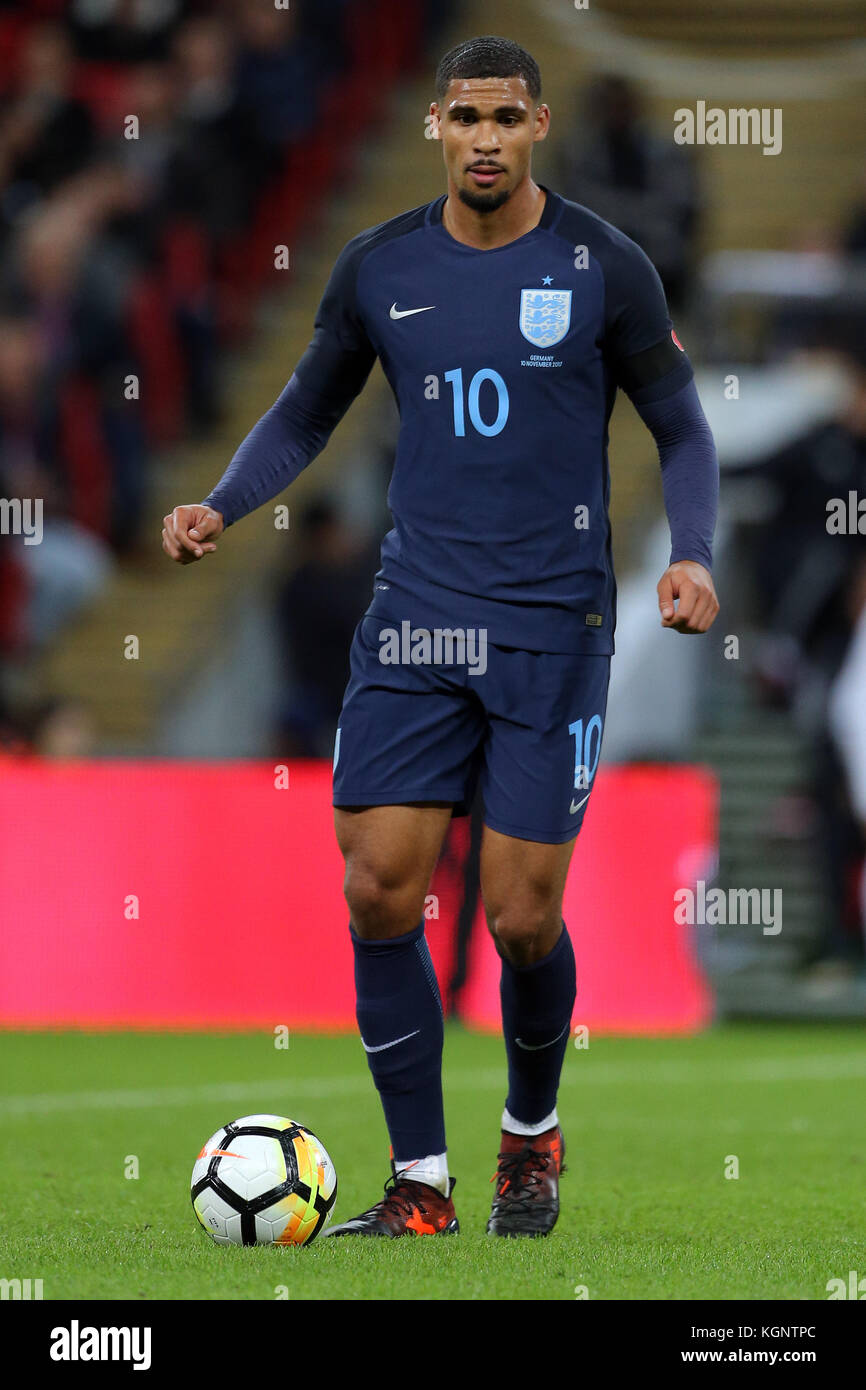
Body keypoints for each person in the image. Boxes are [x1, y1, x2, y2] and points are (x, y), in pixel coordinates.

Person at [162, 36, 719, 1238]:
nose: (482, 138)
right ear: (433, 124)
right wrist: (221, 500)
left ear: (537, 126)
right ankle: (421, 1181)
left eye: (504, 118)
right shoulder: (378, 267)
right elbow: (306, 405)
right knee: (376, 893)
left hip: (550, 625)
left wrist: (690, 552)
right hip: (415, 620)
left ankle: (528, 1137)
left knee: (520, 917)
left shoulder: (601, 266)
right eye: (463, 116)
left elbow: (679, 425)